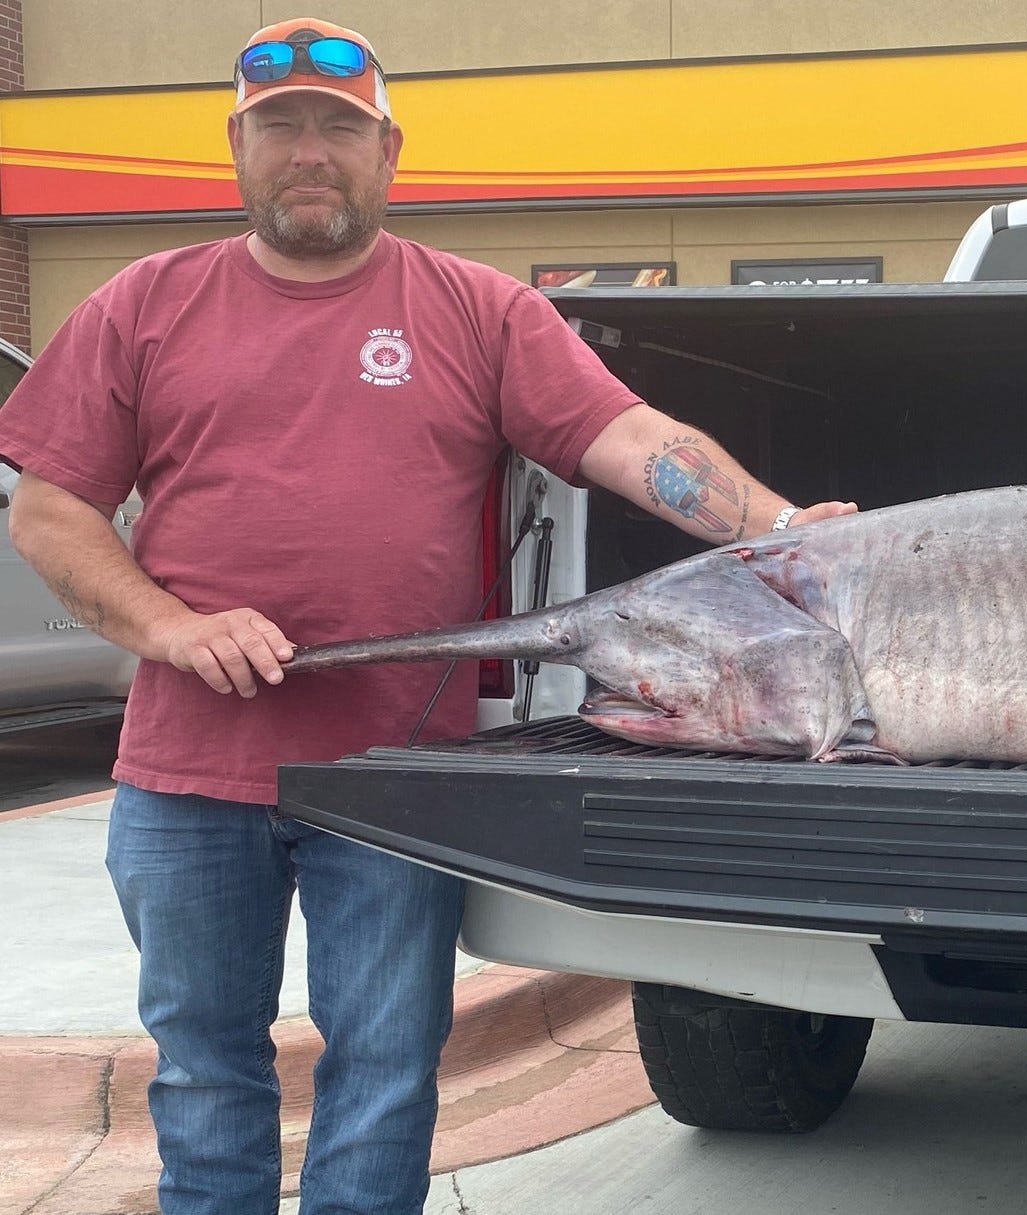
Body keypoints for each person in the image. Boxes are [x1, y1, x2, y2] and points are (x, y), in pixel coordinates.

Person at [0, 17, 854, 1215]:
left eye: (337, 129)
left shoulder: (480, 312)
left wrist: (783, 533)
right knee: (201, 1076)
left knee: (387, 1076)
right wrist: (170, 629)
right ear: (237, 151)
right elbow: (49, 513)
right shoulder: (142, 305)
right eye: (279, 126)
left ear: (388, 152)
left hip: (396, 778)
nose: (309, 152)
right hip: (186, 777)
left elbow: (635, 444)